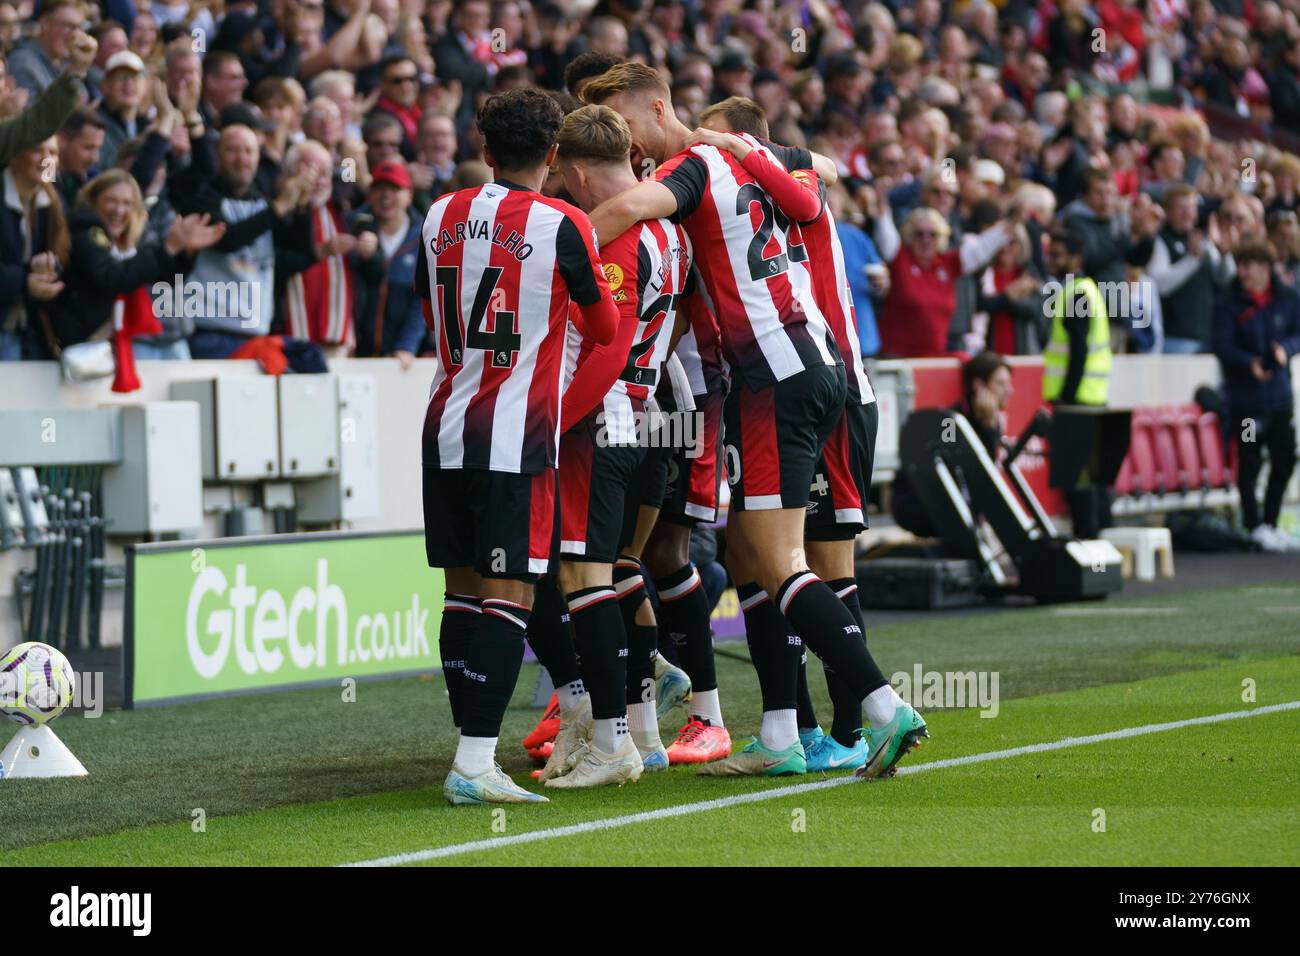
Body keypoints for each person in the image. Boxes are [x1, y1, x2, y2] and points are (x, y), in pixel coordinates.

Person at [583, 61, 925, 781]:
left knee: (779, 561)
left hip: (774, 376)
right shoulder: (746, 159)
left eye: (622, 119)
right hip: (806, 364)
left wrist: (561, 242)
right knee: (745, 555)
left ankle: (883, 708)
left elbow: (635, 207)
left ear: (654, 107)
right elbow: (819, 170)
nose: (624, 141)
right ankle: (781, 732)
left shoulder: (693, 165)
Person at [417, 87, 619, 805]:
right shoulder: (564, 223)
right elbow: (603, 328)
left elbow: (429, 308)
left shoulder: (439, 214)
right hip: (515, 434)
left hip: (445, 427)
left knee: (461, 595)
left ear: (483, 147)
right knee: (511, 597)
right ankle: (474, 763)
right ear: (556, 153)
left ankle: (471, 745)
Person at [691, 95, 884, 774]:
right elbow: (822, 166)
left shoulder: (782, 192)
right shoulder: (774, 191)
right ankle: (796, 728)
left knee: (819, 567)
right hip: (820, 389)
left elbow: (817, 175)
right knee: (757, 550)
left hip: (829, 390)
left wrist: (745, 151)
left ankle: (851, 730)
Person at [534, 103, 692, 787]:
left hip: (605, 420)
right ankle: (642, 732)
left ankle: (608, 740)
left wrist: (551, 421)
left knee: (580, 579)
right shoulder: (667, 226)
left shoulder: (622, 234)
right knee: (618, 568)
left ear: (570, 167)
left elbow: (606, 346)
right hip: (651, 412)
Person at [46, 169, 223, 374]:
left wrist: (185, 254)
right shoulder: (85, 226)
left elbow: (164, 281)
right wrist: (168, 248)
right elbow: (112, 276)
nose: (119, 210)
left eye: (127, 203)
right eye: (111, 201)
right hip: (81, 344)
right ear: (93, 201)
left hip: (103, 345)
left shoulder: (125, 240)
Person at [169, 124, 314, 357]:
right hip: (208, 332)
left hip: (256, 333)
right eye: (232, 151)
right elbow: (228, 240)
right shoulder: (200, 198)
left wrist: (302, 207)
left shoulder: (263, 203)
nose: (242, 159)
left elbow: (299, 256)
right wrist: (280, 207)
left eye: (249, 151)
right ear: (216, 156)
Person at [1211, 240, 1300, 552]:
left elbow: (1297, 332)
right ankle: (1253, 525)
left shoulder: (1288, 298)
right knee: (1249, 460)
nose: (1243, 272)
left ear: (1266, 267)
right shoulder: (1228, 302)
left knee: (1284, 459)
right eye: (1240, 265)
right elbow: (1221, 345)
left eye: (1249, 265)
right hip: (1246, 404)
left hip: (1279, 401)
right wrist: (1248, 364)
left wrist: (1285, 350)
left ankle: (1271, 522)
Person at [892, 350, 1012, 537]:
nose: (1009, 391)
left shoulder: (989, 423)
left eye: (1009, 384)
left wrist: (989, 430)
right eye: (1001, 384)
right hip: (915, 506)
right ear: (979, 386)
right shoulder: (949, 421)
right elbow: (966, 473)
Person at [1043, 227, 1114, 540]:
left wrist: (1066, 398)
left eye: (1057, 255)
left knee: (1078, 479)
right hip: (1091, 398)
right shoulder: (1084, 290)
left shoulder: (1076, 293)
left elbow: (1079, 351)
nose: (1051, 261)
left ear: (1075, 258)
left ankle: (1089, 542)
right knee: (1090, 477)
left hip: (1078, 401)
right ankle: (1098, 540)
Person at [348, 159, 425, 364]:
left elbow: (423, 302)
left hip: (403, 358)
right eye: (380, 188)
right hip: (358, 353)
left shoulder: (425, 238)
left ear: (409, 195)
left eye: (395, 188)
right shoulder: (355, 229)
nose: (386, 196)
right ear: (370, 195)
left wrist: (407, 346)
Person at [0, 135, 68, 360]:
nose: (47, 160)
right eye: (37, 150)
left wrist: (47, 271)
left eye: (54, 153)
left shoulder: (50, 205)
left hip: (23, 331)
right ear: (15, 154)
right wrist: (25, 281)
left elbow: (61, 259)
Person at [0, 24, 95, 167]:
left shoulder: (49, 177)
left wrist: (77, 69)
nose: (44, 158)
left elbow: (47, 178)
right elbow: (39, 121)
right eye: (36, 150)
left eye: (52, 152)